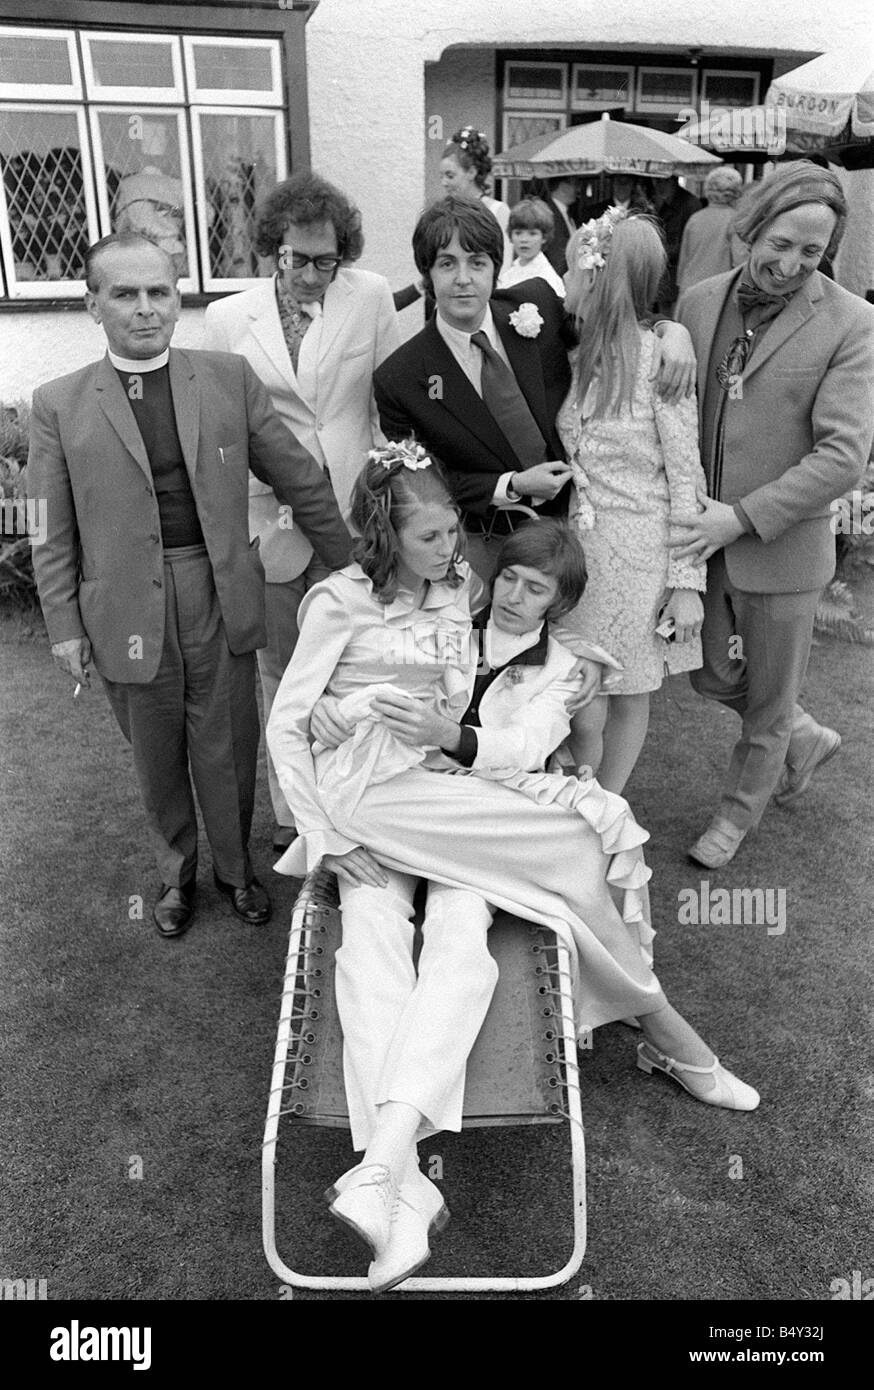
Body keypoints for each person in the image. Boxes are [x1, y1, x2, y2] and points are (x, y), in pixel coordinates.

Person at [266, 448, 759, 1294]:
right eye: (430, 534)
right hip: (367, 799)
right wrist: (322, 823)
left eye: (454, 532)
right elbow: (288, 723)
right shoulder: (338, 603)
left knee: (474, 932)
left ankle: (391, 1175)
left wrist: (447, 726)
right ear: (388, 533)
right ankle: (666, 1031)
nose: (452, 548)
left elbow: (486, 712)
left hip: (433, 793)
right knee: (557, 857)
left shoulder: (461, 597)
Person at [27, 233, 353, 938]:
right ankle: (174, 878)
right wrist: (63, 629)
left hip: (220, 591)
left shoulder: (228, 377)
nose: (147, 310)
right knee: (156, 754)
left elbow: (298, 475)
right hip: (122, 606)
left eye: (160, 293)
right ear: (93, 305)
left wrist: (354, 564)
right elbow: (47, 527)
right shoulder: (56, 403)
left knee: (229, 745)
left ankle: (237, 874)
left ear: (177, 300)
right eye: (126, 294)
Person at [672, 161, 874, 867]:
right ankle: (803, 735)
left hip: (783, 548)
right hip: (700, 539)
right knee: (707, 674)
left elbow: (843, 457)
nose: (790, 264)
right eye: (781, 242)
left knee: (768, 697)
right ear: (752, 226)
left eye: (811, 252)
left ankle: (736, 815)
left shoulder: (852, 322)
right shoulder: (696, 303)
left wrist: (744, 516)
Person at [202, 172, 400, 852]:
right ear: (271, 249)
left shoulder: (370, 296)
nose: (314, 273)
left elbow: (391, 399)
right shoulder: (228, 318)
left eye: (327, 259)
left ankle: (360, 796)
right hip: (273, 521)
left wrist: (394, 488)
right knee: (281, 667)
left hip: (353, 514)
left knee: (358, 657)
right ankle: (294, 807)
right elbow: (221, 428)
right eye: (298, 258)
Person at [373, 195, 697, 582]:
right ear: (427, 274)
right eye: (447, 264)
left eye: (477, 262)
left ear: (496, 268)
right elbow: (423, 483)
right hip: (488, 547)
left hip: (579, 538)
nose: (463, 278)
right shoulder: (399, 378)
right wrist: (510, 485)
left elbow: (609, 320)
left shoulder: (535, 304)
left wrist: (670, 331)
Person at [554, 210, 707, 794]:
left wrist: (687, 581)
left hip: (640, 555)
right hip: (578, 552)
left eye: (570, 269)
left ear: (594, 278)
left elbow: (685, 474)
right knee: (579, 689)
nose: (562, 281)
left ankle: (606, 806)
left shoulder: (660, 364)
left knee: (628, 688)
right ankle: (570, 793)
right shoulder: (574, 353)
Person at [439, 126, 513, 274]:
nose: (444, 183)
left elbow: (504, 265)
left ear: (472, 172)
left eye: (450, 175)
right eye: (441, 176)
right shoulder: (443, 212)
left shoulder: (498, 211)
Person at [676, 166, 745, 294]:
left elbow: (684, 259)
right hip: (717, 291)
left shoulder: (695, 218)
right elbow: (740, 261)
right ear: (736, 192)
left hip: (690, 287)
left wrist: (681, 284)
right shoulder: (735, 220)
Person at [650, 175, 702, 315]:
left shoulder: (689, 204)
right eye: (657, 180)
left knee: (672, 315)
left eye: (663, 180)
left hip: (677, 271)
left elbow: (688, 243)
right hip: (665, 271)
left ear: (673, 181)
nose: (659, 185)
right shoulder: (660, 201)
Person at [498, 197, 566, 297]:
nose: (524, 239)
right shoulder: (509, 272)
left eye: (532, 234)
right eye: (518, 233)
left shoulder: (547, 277)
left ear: (544, 237)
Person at [541, 175, 581, 276]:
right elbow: (557, 256)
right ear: (563, 187)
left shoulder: (568, 214)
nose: (578, 189)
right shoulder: (549, 213)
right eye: (575, 185)